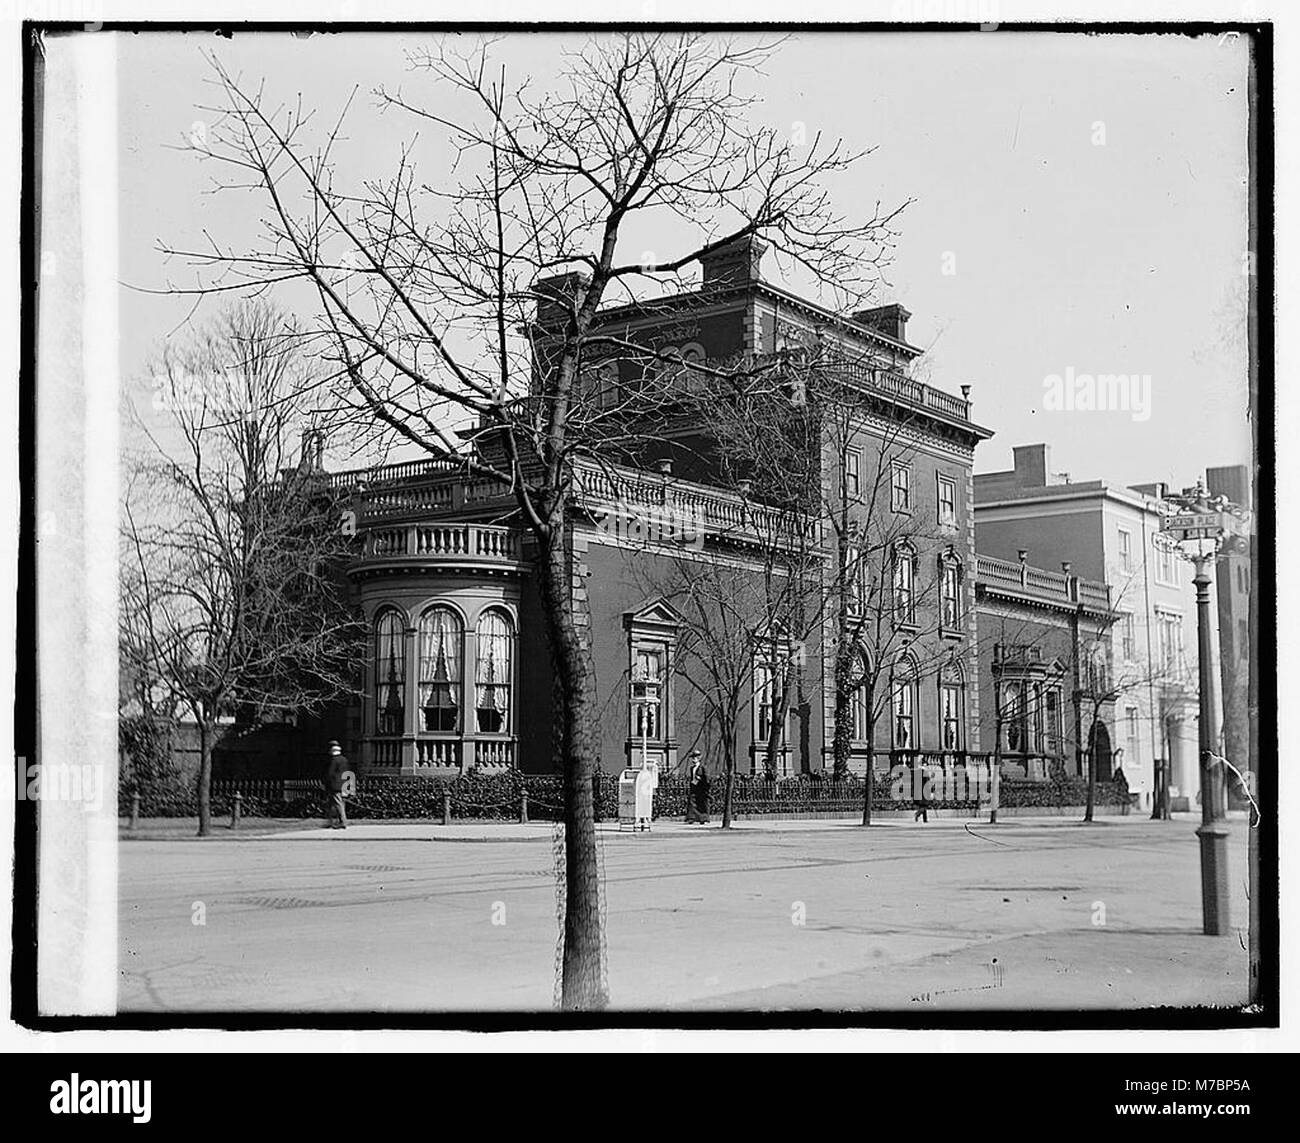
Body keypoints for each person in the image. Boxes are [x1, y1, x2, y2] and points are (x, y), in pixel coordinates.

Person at [323, 740, 352, 830]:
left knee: (338, 804)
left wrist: (325, 783)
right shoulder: (344, 759)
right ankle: (333, 821)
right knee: (337, 803)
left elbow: (330, 773)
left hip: (335, 785)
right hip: (344, 784)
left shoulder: (334, 760)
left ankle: (343, 822)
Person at [684, 751, 710, 824]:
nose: (693, 759)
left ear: (698, 758)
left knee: (701, 804)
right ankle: (691, 818)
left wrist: (701, 779)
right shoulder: (692, 768)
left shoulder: (703, 767)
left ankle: (703, 818)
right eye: (692, 758)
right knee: (692, 802)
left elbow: (706, 778)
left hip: (701, 788)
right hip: (694, 787)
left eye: (694, 758)